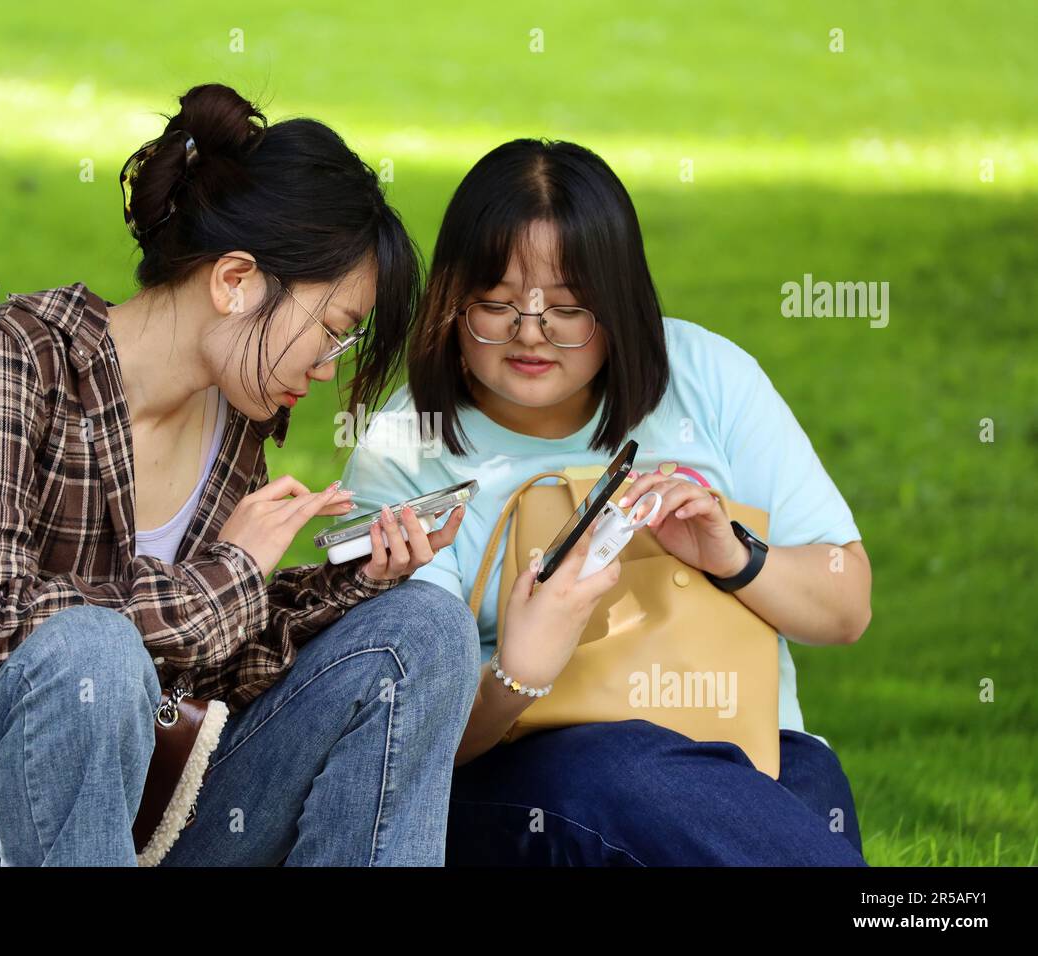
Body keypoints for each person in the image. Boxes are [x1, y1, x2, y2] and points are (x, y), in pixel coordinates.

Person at [0, 82, 478, 868]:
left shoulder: (235, 422)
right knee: (91, 654)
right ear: (235, 281)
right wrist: (227, 577)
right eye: (332, 331)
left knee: (426, 630)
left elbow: (211, 660)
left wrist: (354, 582)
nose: (328, 369)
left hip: (139, 824)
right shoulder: (20, 360)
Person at [341, 138, 871, 865]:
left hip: (748, 743)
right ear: (453, 303)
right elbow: (403, 747)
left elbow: (847, 610)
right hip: (530, 770)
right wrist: (521, 669)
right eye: (496, 306)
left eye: (568, 310)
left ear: (620, 303)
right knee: (624, 779)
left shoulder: (707, 378)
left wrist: (733, 556)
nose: (531, 335)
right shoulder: (410, 445)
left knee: (800, 787)